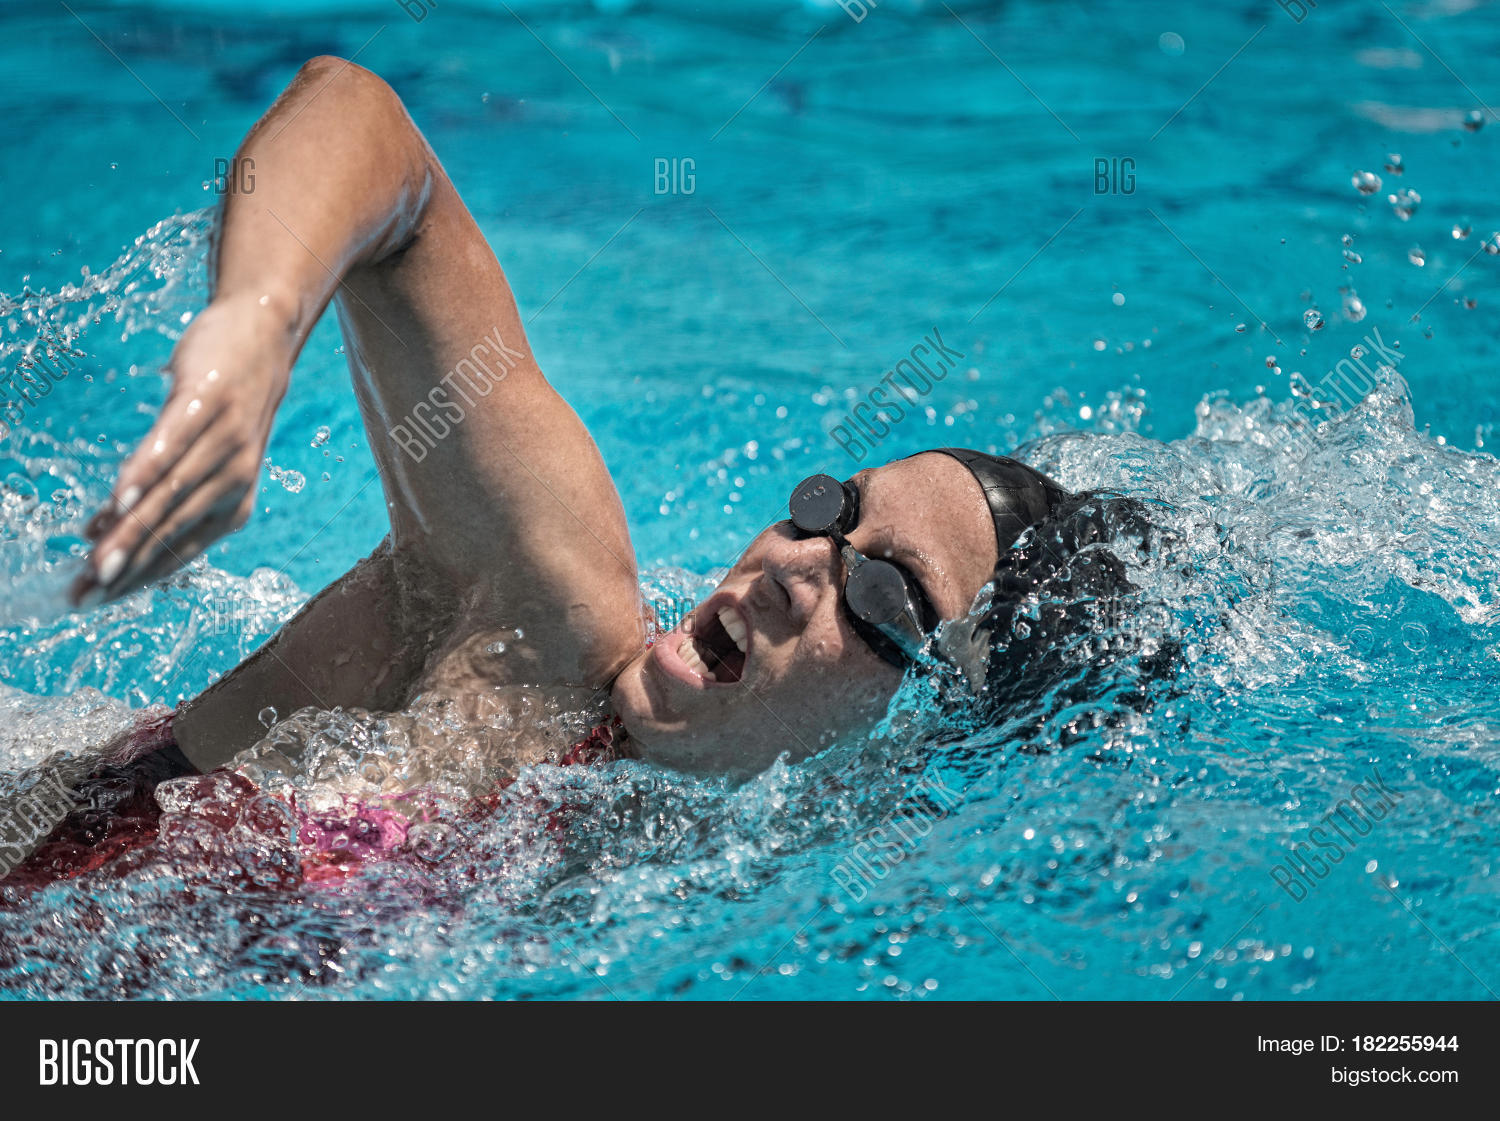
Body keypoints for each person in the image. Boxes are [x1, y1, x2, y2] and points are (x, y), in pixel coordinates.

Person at [8, 57, 1153, 888]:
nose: (798, 563)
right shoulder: (543, 632)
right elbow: (370, 130)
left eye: (885, 593)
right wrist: (257, 326)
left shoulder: (720, 881)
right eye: (828, 510)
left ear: (931, 729)